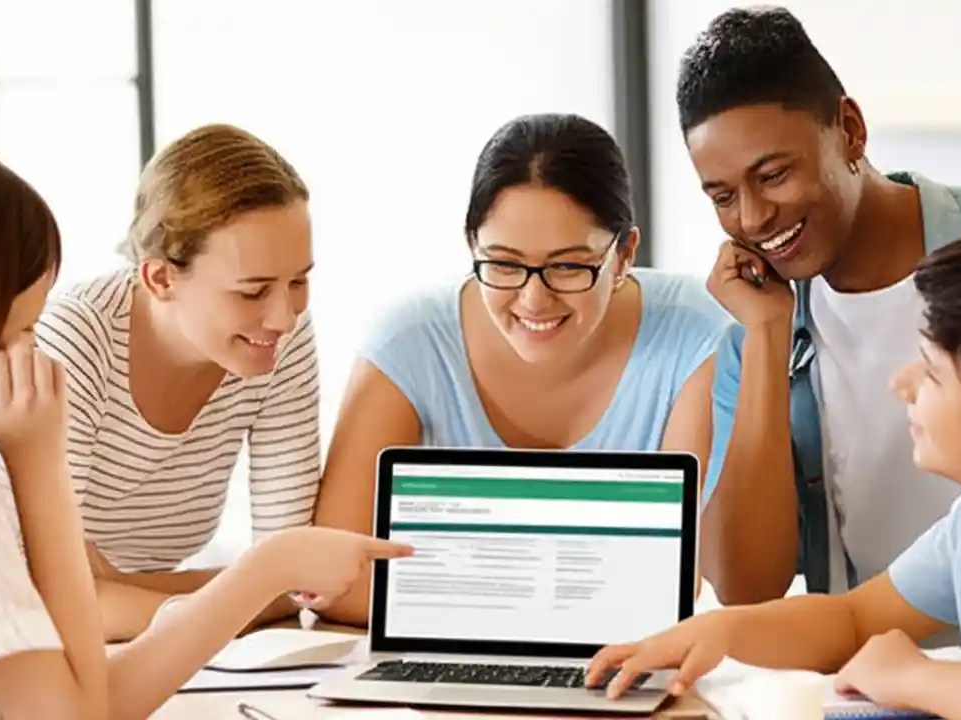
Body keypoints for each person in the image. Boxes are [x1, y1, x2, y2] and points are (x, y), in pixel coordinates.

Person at [0, 129, 409, 719]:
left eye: (299, 282)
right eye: (27, 329)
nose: (283, 316)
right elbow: (80, 713)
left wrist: (264, 570)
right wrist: (38, 462)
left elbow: (94, 700)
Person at [589, 226, 961, 720]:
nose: (902, 385)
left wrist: (913, 677)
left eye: (932, 373)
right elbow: (853, 620)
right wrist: (718, 632)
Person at [683, 6, 961, 605]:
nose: (752, 218)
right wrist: (768, 334)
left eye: (774, 175)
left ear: (850, 130)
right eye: (723, 197)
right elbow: (745, 587)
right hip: (872, 647)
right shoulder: (753, 332)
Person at [314, 112, 733, 625]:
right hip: (449, 656)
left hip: (619, 656)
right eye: (504, 264)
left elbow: (674, 581)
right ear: (472, 244)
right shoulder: (410, 342)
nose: (534, 299)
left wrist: (453, 585)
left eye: (568, 266)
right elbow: (334, 580)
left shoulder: (698, 335)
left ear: (624, 254)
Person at [36, 124, 323, 640]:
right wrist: (242, 590)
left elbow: (294, 576)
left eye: (299, 280)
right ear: (161, 278)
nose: (284, 316)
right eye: (252, 291)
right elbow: (41, 601)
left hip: (145, 642)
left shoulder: (280, 339)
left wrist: (122, 588)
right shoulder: (79, 337)